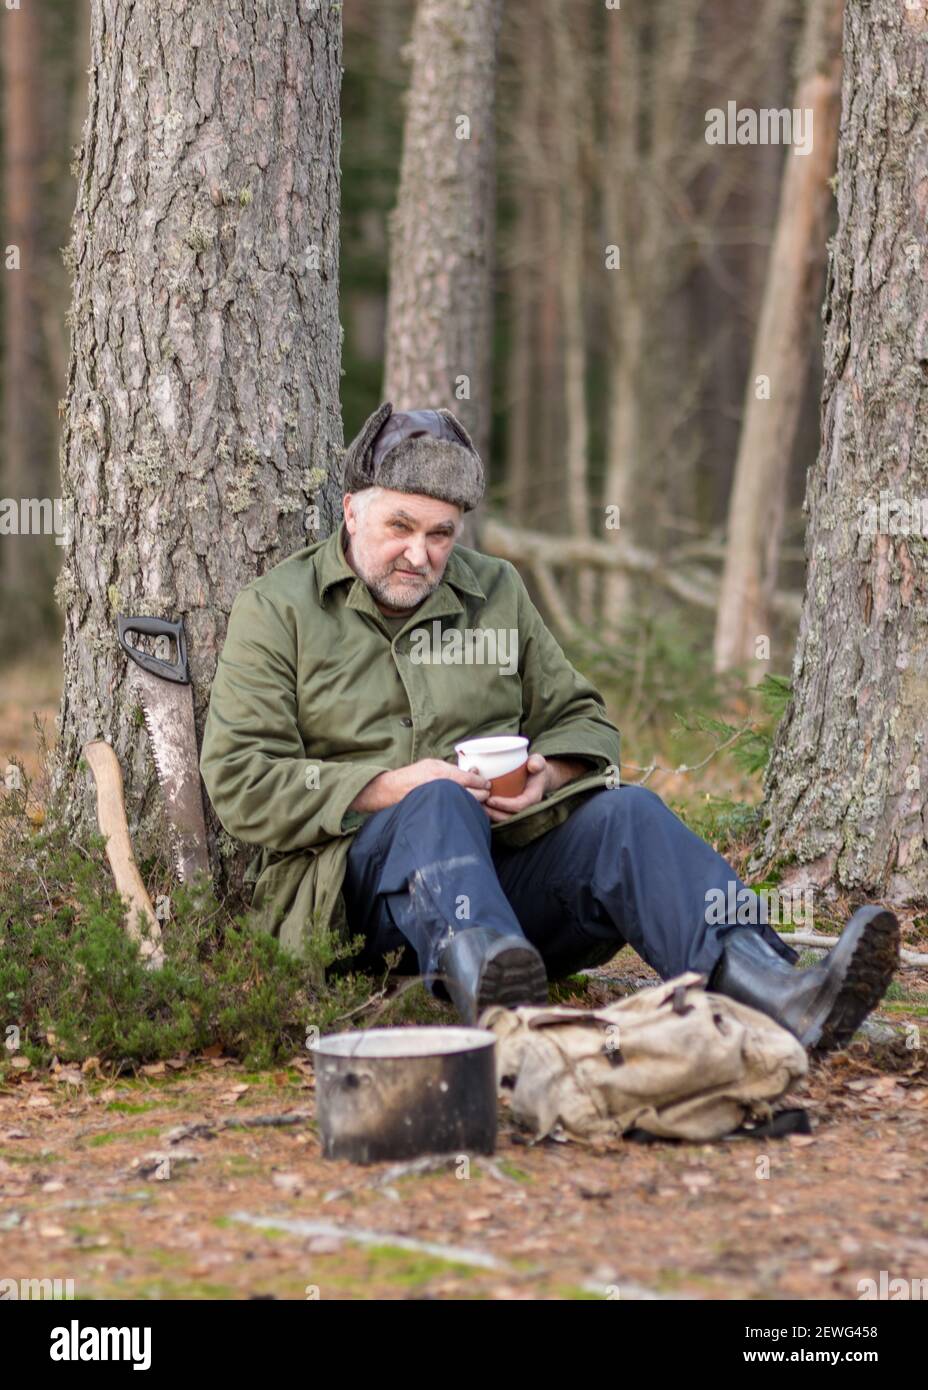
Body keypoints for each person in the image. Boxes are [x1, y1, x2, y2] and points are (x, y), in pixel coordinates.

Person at [200, 401, 899, 1047]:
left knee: (629, 815)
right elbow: (239, 780)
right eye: (401, 528)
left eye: (441, 533)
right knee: (434, 800)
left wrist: (550, 772)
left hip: (506, 881)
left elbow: (580, 718)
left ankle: (777, 989)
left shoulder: (494, 592)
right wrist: (389, 786)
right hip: (360, 909)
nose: (421, 554)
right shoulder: (280, 610)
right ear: (352, 512)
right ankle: (506, 1015)